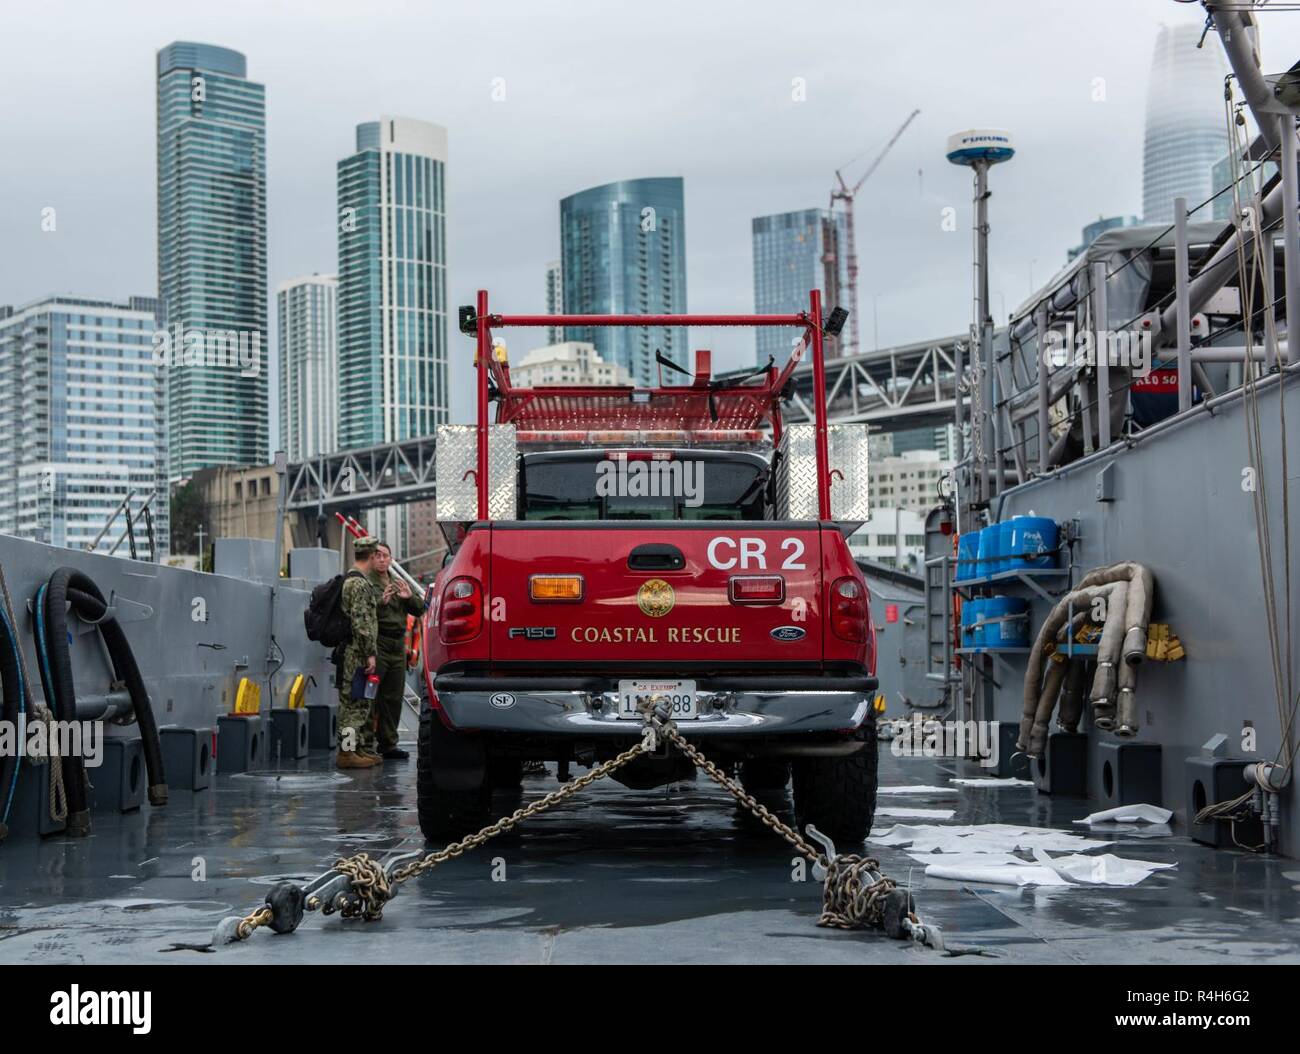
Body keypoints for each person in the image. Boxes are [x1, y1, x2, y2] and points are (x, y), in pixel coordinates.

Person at [368, 541, 427, 760]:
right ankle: (364, 744)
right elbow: (359, 612)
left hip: (397, 646)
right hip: (377, 643)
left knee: (393, 697)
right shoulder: (367, 582)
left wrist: (408, 597)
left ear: (391, 559)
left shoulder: (398, 582)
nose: (382, 559)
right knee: (369, 696)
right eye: (378, 555)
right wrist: (380, 602)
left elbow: (420, 608)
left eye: (386, 555)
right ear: (372, 559)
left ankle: (388, 744)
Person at [336, 537, 380, 769]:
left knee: (358, 702)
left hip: (351, 651)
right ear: (372, 556)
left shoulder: (349, 579)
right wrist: (369, 653)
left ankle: (357, 748)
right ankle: (347, 752)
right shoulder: (360, 584)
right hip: (357, 653)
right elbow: (362, 623)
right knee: (353, 705)